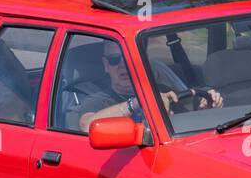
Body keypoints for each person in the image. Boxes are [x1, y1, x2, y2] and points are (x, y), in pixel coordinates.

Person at [78, 40, 222, 131]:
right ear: (105, 65)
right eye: (114, 60)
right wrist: (137, 103)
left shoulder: (163, 91)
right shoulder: (96, 100)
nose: (123, 65)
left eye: (128, 58)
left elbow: (191, 119)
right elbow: (87, 126)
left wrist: (207, 105)